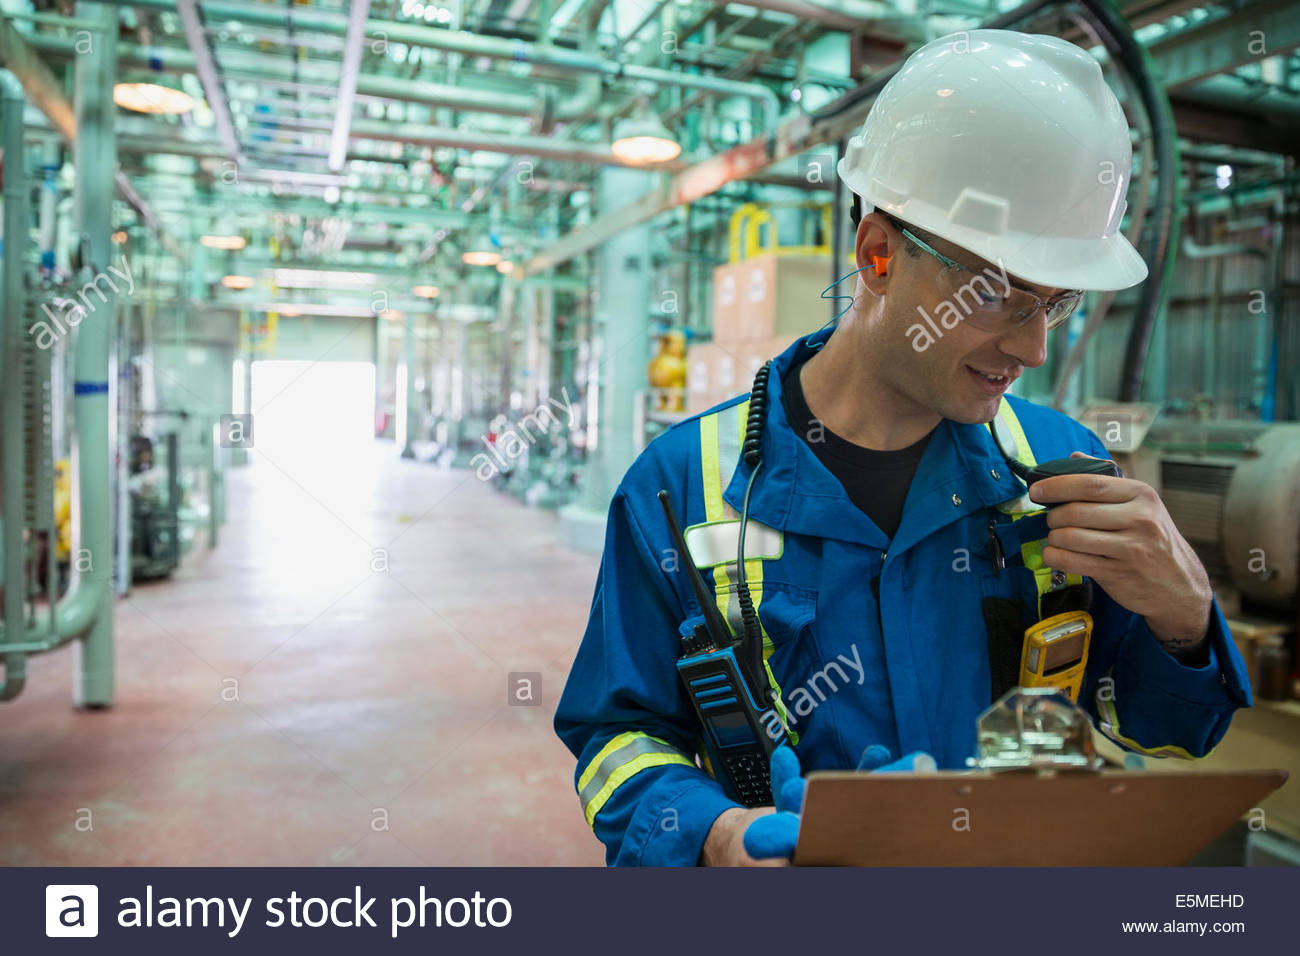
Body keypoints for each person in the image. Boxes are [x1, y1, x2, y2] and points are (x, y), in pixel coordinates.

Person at [554, 29, 1251, 867]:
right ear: (878, 255)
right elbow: (618, 736)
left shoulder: (1058, 473)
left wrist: (1184, 621)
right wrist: (716, 836)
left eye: (1055, 303)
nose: (1034, 350)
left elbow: (1160, 727)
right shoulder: (681, 491)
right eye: (1003, 297)